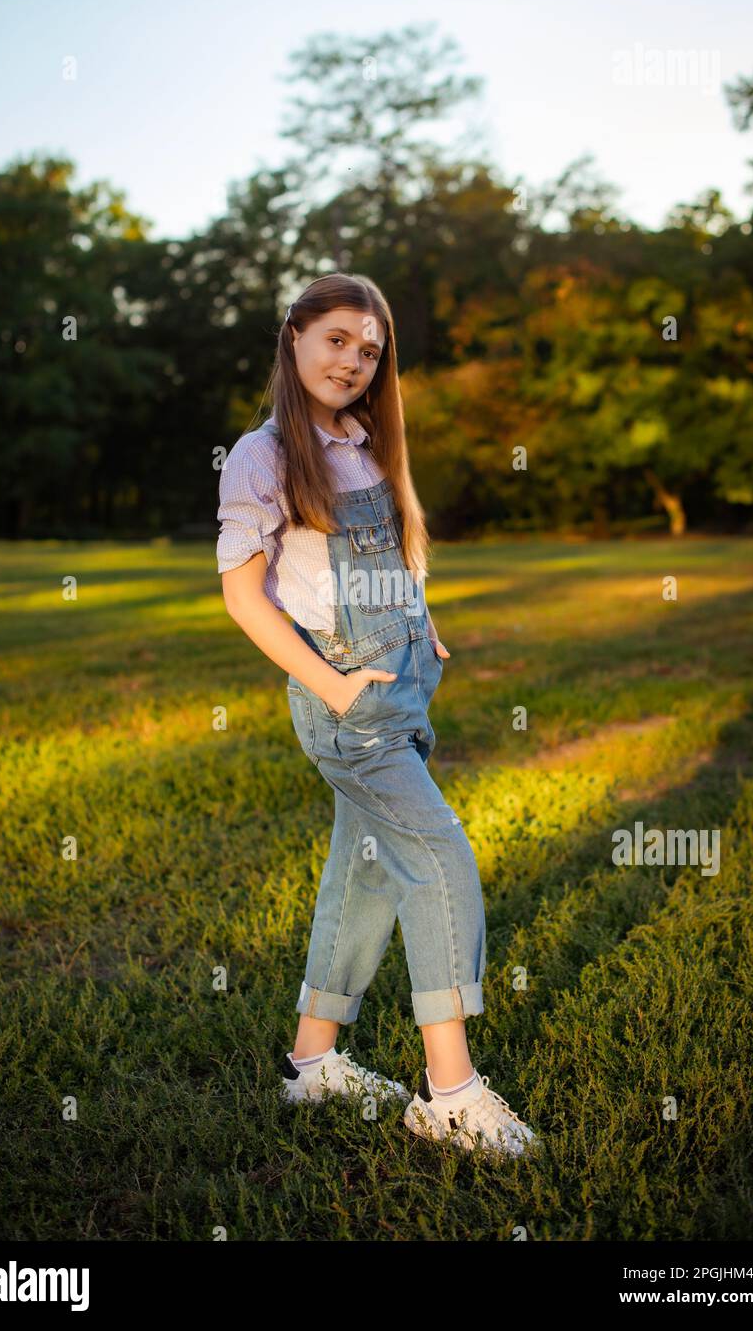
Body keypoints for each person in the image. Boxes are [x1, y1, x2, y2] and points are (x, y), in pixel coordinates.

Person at [216, 272, 540, 1161]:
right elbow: (246, 601)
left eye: (370, 351)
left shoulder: (361, 441)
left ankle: (312, 1064)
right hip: (349, 704)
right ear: (294, 337)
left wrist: (424, 628)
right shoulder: (265, 454)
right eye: (338, 341)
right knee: (440, 860)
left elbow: (394, 553)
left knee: (361, 878)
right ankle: (451, 1091)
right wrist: (333, 687)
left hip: (404, 691)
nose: (354, 361)